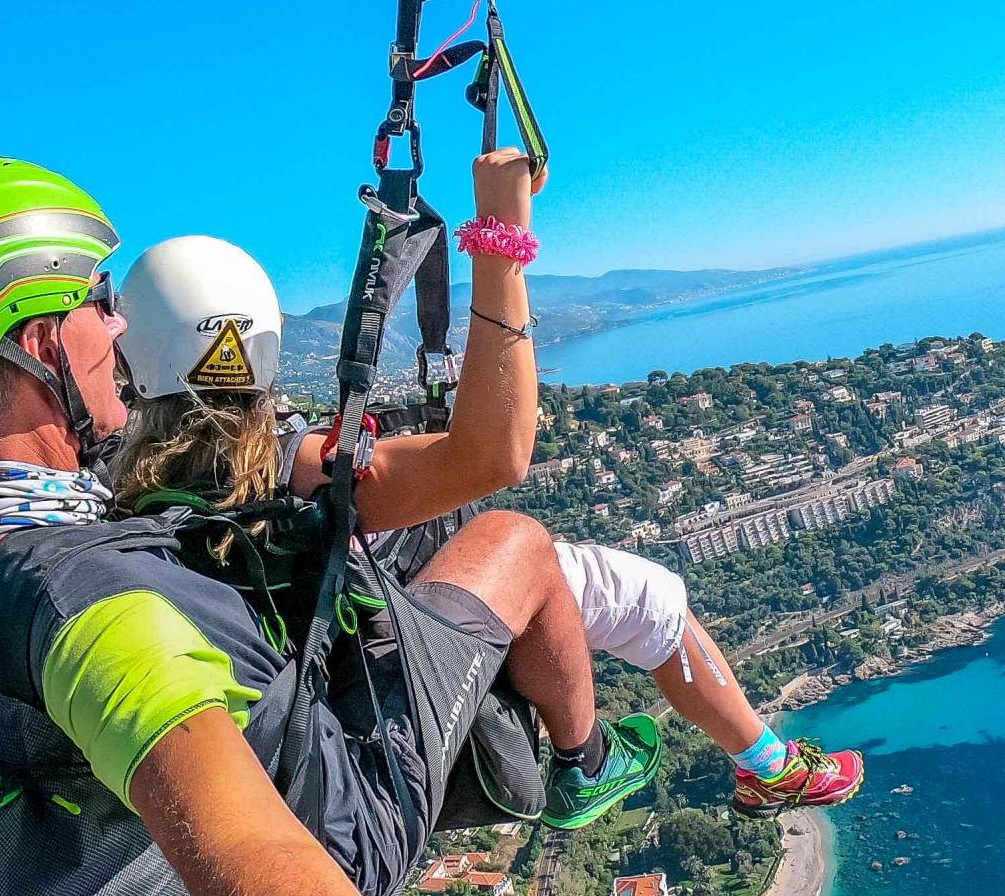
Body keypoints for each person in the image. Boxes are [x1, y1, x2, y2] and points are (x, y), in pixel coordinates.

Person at [0, 153, 642, 896]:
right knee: (514, 544)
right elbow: (247, 844)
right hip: (327, 845)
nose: (117, 325)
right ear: (38, 338)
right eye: (95, 300)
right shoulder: (95, 608)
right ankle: (583, 764)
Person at [116, 153, 864, 824]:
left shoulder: (125, 478)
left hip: (319, 650)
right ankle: (604, 763)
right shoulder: (291, 471)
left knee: (629, 590)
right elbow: (496, 456)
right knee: (633, 592)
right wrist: (500, 244)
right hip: (393, 632)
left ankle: (756, 766)